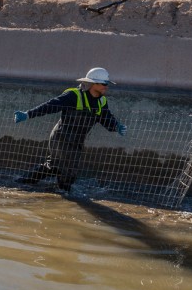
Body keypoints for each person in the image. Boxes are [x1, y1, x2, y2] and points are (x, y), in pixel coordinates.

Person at [13, 66, 125, 195]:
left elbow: (106, 119)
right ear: (93, 84)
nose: (106, 87)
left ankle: (24, 183)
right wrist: (28, 114)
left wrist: (116, 126)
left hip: (77, 141)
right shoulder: (73, 95)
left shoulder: (101, 101)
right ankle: (63, 196)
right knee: (67, 170)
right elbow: (51, 105)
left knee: (54, 167)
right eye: (104, 84)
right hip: (61, 137)